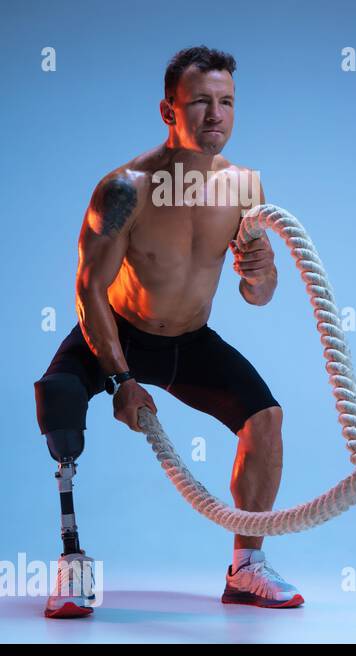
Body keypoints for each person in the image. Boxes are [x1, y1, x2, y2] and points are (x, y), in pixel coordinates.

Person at [33, 46, 303, 618]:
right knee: (58, 400)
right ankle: (70, 563)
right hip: (115, 331)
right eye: (200, 102)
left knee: (266, 420)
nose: (215, 115)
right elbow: (88, 291)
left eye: (226, 102)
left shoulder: (242, 187)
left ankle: (245, 566)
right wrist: (122, 379)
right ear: (168, 110)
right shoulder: (124, 188)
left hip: (188, 341)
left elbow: (257, 295)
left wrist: (262, 275)